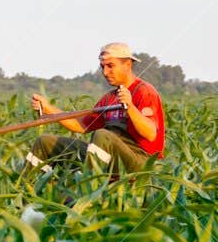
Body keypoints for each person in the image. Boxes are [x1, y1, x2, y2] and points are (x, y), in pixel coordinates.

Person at [28, 42, 165, 174]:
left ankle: (87, 190)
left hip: (141, 161)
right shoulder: (110, 98)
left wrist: (130, 107)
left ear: (127, 64)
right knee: (45, 142)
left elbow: (150, 133)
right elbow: (82, 125)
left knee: (102, 135)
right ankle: (26, 193)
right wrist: (49, 109)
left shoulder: (144, 91)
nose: (105, 72)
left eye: (110, 66)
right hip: (111, 155)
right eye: (102, 66)